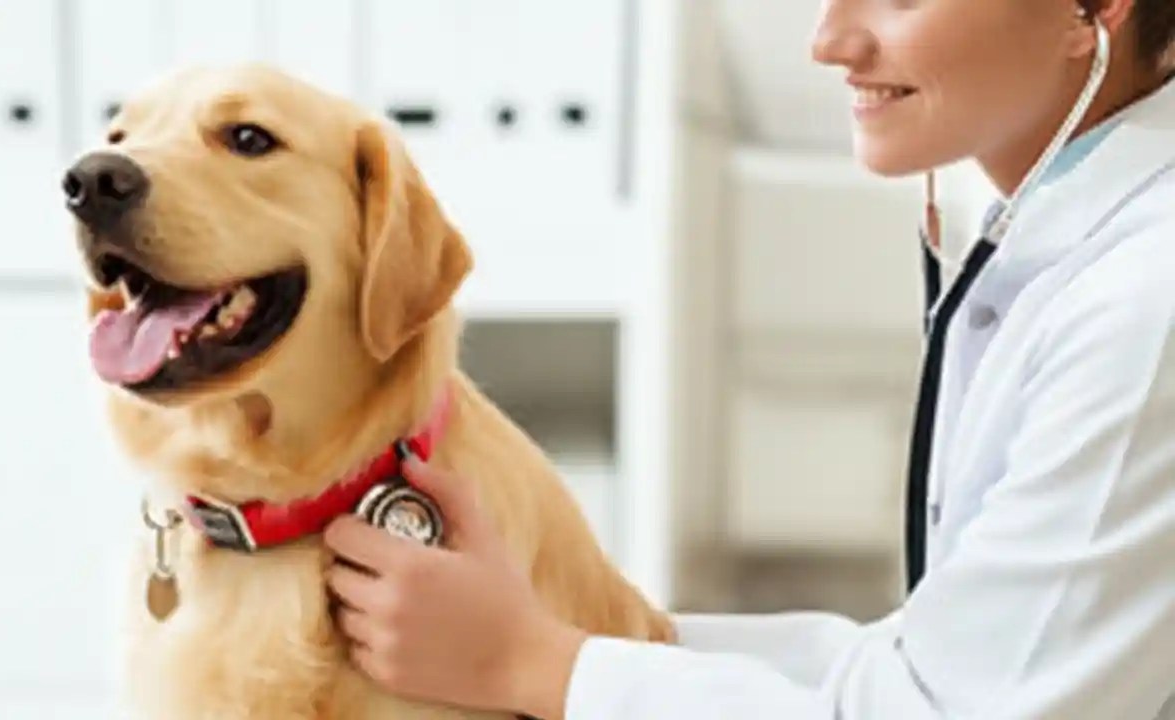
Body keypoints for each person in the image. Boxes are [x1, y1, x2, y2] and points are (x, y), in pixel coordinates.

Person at [323, 0, 1175, 717]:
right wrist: (583, 624)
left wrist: (536, 665)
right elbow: (929, 667)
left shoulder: (1144, 302)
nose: (832, 39)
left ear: (1094, 9)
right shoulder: (1085, 254)